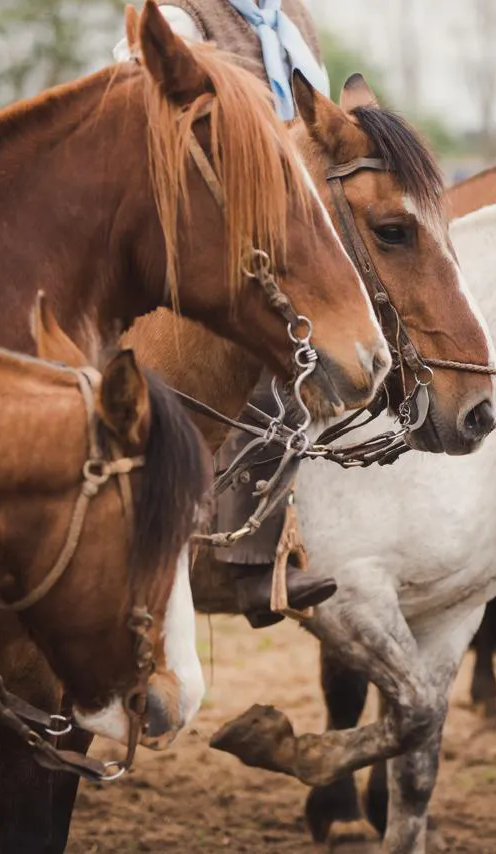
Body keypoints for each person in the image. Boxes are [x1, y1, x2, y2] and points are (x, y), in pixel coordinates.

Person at [116, 0, 336, 629]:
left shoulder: (291, 13)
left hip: (294, 214)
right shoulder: (181, 12)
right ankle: (249, 555)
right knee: (289, 339)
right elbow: (153, 107)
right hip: (212, 217)